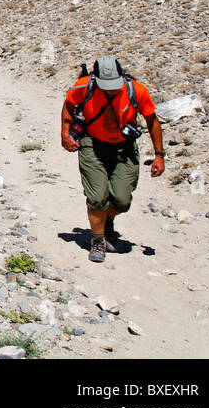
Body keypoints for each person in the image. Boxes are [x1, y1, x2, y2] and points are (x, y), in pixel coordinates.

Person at [60, 57, 164, 263]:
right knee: (97, 197)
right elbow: (69, 105)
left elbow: (152, 120)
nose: (111, 90)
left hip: (123, 147)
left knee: (122, 200)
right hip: (92, 143)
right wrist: (65, 134)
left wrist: (159, 155)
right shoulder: (84, 87)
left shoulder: (136, 90)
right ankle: (98, 239)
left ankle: (107, 219)